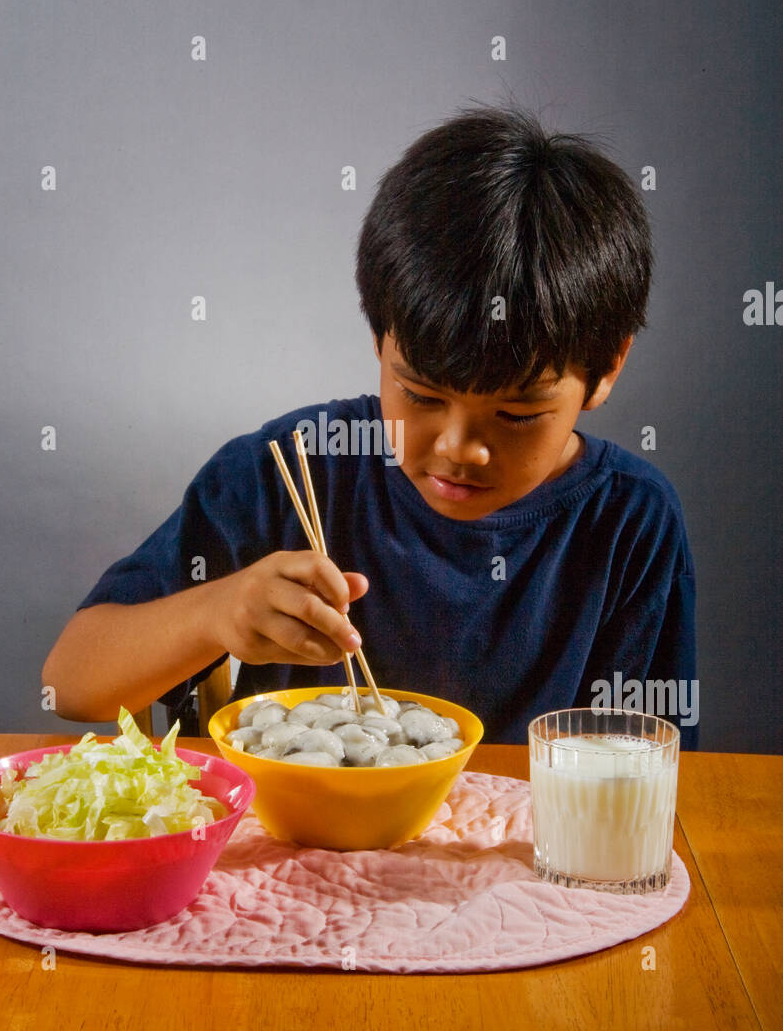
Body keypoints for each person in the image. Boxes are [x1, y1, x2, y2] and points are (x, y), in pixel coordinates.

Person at [42, 104, 697, 747]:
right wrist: (218, 614)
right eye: (419, 394)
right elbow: (71, 683)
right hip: (303, 844)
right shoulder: (296, 466)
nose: (456, 448)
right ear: (381, 340)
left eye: (517, 414)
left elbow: (648, 767)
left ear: (606, 371)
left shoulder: (629, 523)